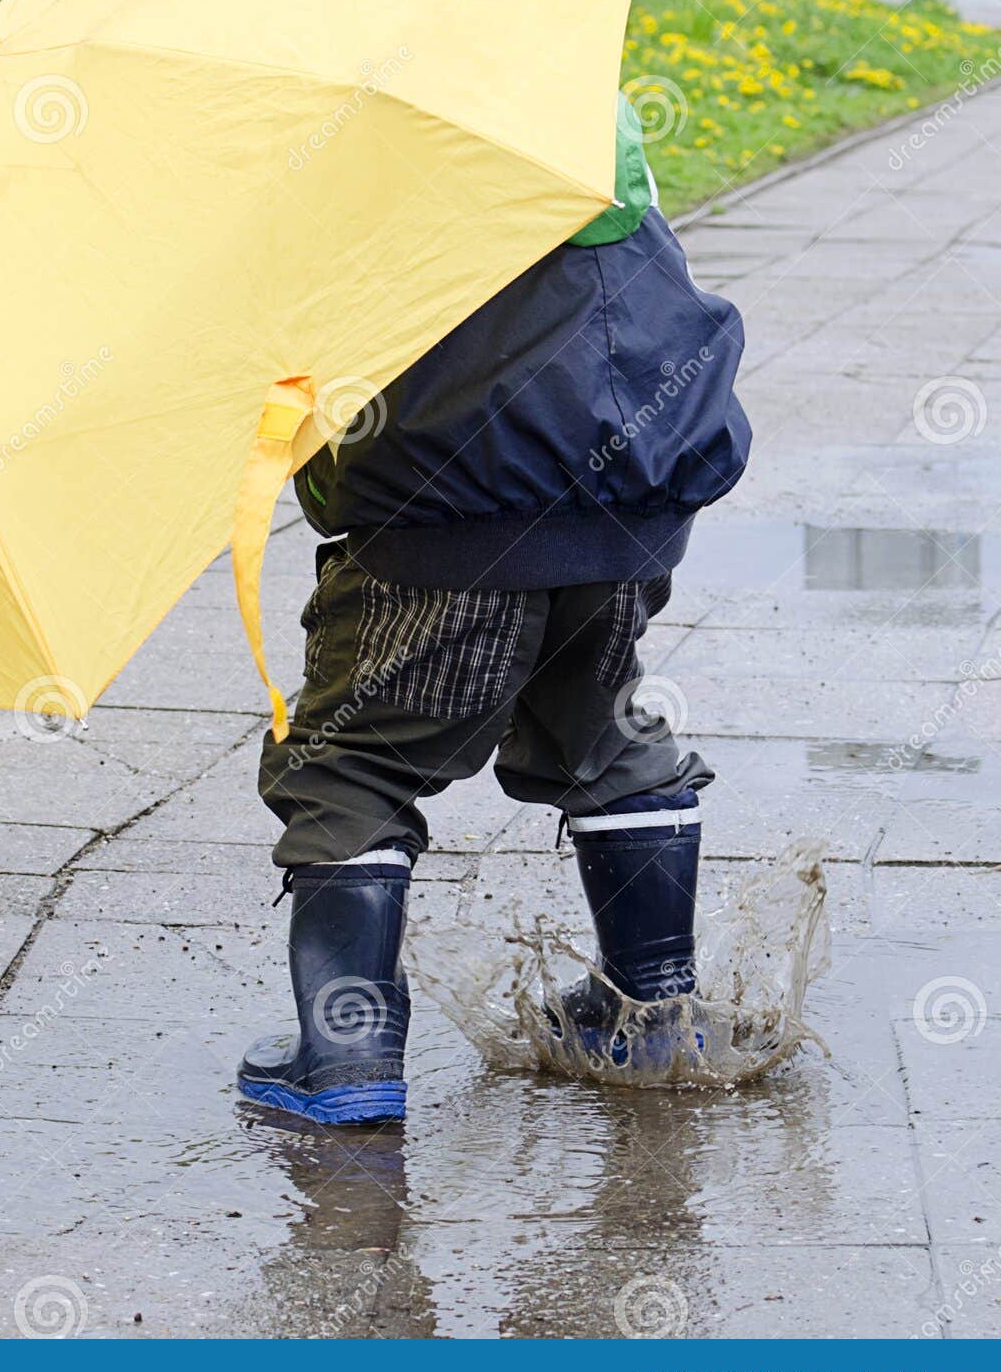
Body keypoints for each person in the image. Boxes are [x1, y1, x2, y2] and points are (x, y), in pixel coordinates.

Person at [238, 98, 751, 1124]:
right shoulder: (588, 122)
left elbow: (319, 376)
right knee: (602, 732)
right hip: (626, 517)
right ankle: (652, 1012)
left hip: (446, 521)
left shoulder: (369, 146)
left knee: (351, 761)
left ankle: (345, 1058)